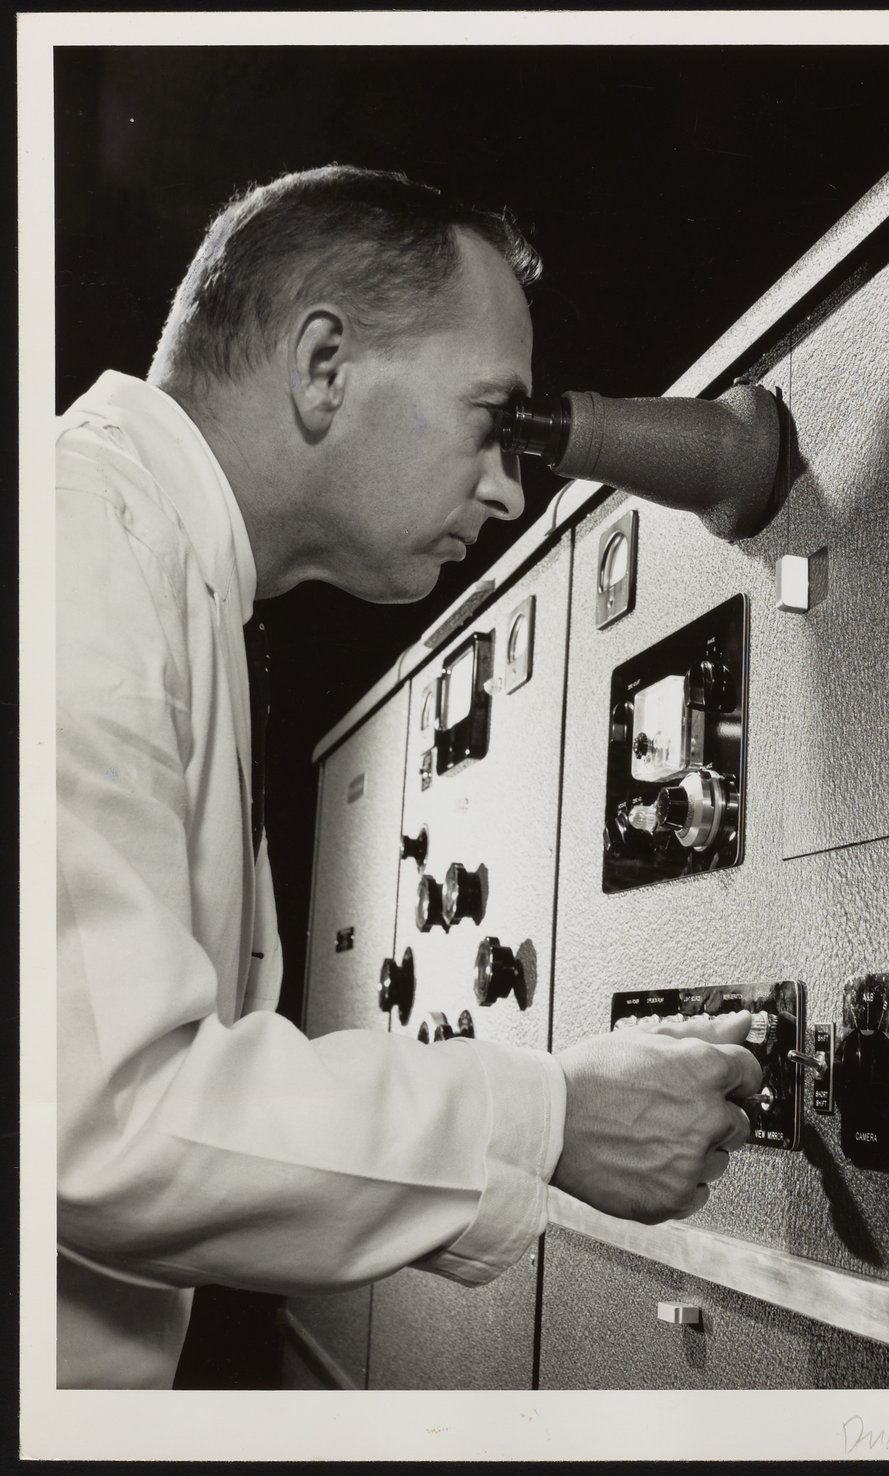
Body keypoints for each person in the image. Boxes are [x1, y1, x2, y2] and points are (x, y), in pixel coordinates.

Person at [56, 165, 762, 1389]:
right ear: (325, 365)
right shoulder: (74, 544)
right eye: (492, 416)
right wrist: (549, 1114)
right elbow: (105, 1118)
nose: (505, 490)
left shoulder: (171, 574)